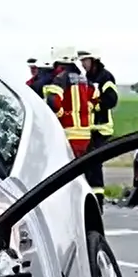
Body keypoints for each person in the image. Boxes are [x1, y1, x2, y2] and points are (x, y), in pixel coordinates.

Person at [42, 50, 98, 191]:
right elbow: (96, 97)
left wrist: (61, 115)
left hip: (69, 133)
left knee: (66, 174)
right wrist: (86, 109)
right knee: (79, 172)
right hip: (85, 134)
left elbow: (53, 102)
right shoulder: (82, 78)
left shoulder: (62, 78)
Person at [78, 48, 120, 198]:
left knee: (94, 165)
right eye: (81, 61)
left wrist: (95, 105)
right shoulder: (86, 77)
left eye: (85, 61)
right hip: (89, 128)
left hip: (101, 128)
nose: (83, 64)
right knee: (88, 165)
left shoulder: (105, 77)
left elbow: (112, 99)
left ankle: (98, 199)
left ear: (93, 60)